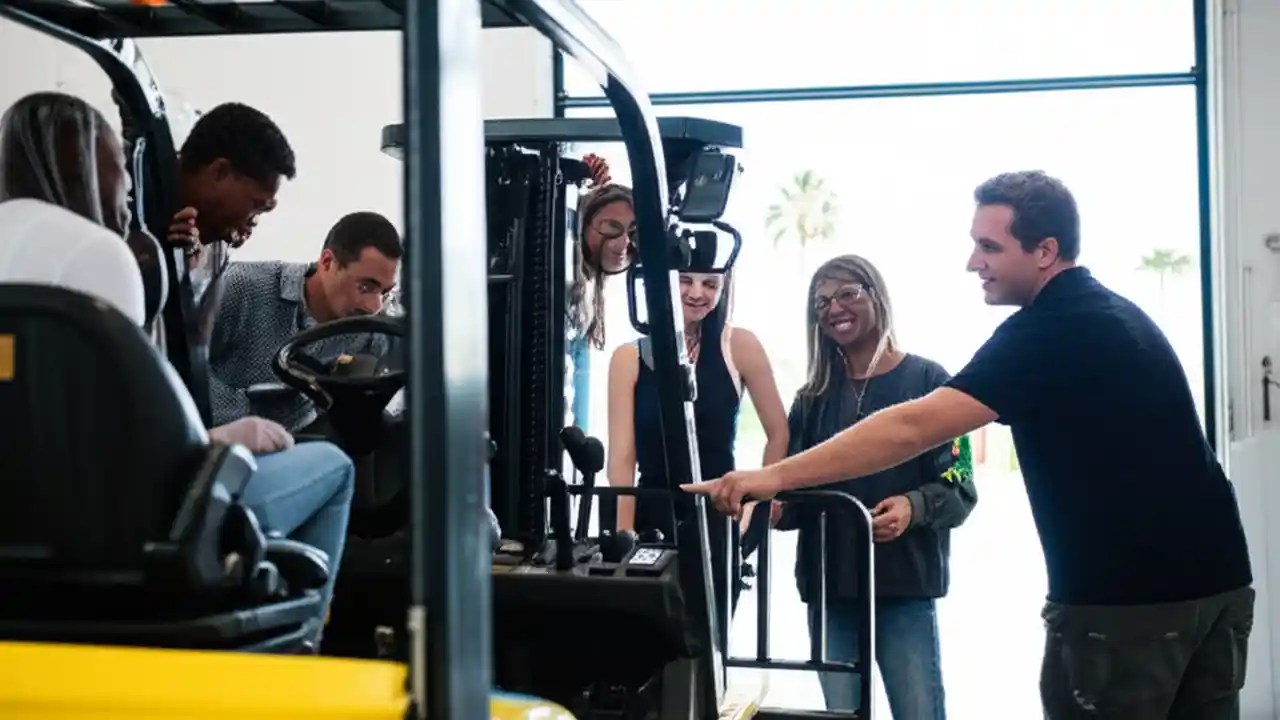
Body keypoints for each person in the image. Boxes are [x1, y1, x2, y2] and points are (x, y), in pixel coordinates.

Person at [687, 170, 1254, 719]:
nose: (973, 262)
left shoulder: (1044, 332)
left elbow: (913, 431)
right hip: (1216, 580)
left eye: (989, 246)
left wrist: (773, 475)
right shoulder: (1113, 314)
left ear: (1045, 250)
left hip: (1131, 604)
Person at [0, 91, 353, 650]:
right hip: (128, 527)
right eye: (120, 169)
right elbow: (122, 439)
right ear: (95, 166)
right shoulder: (105, 254)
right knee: (334, 466)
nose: (127, 194)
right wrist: (218, 439)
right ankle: (292, 658)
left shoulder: (175, 250)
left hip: (21, 523)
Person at [774, 254, 976, 719]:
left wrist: (913, 506)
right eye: (821, 302)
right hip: (830, 590)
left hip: (904, 587)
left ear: (875, 296)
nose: (834, 308)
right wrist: (770, 510)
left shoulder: (931, 382)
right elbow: (795, 498)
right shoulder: (810, 400)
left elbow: (962, 486)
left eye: (848, 293)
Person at [607, 261, 788, 616]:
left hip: (719, 516)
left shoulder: (740, 345)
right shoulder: (627, 357)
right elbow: (622, 459)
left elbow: (779, 433)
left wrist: (754, 507)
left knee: (708, 646)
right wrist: (623, 536)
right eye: (685, 280)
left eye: (709, 283)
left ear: (724, 287)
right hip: (652, 516)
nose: (696, 293)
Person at [208, 210, 403, 431]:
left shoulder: (368, 332)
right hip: (214, 437)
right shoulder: (241, 287)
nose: (374, 306)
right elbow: (179, 363)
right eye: (365, 287)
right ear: (327, 262)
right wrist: (250, 419)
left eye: (384, 292)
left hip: (303, 443)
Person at [566, 154, 628, 429]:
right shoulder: (562, 286)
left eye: (632, 233)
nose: (624, 242)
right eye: (611, 228)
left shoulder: (588, 298)